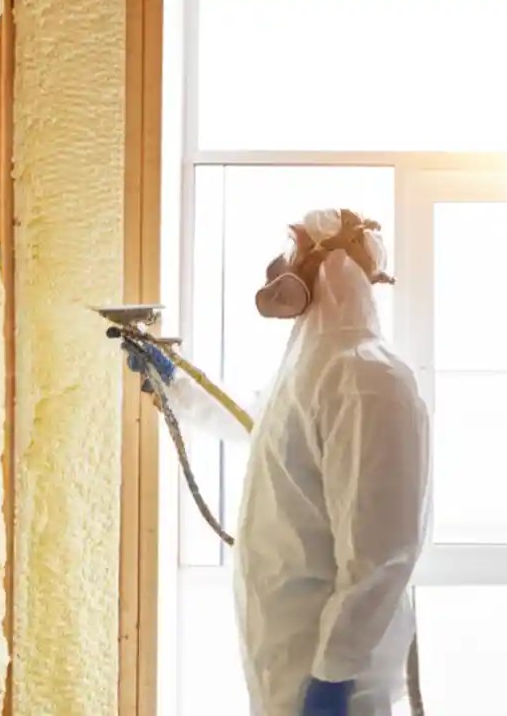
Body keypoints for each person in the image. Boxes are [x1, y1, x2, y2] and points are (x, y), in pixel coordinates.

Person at [127, 208, 431, 716]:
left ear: (326, 265)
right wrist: (174, 385)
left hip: (337, 679)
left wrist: (333, 676)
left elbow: (382, 551)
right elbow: (256, 422)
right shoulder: (314, 370)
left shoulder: (367, 379)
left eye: (296, 258)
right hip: (290, 662)